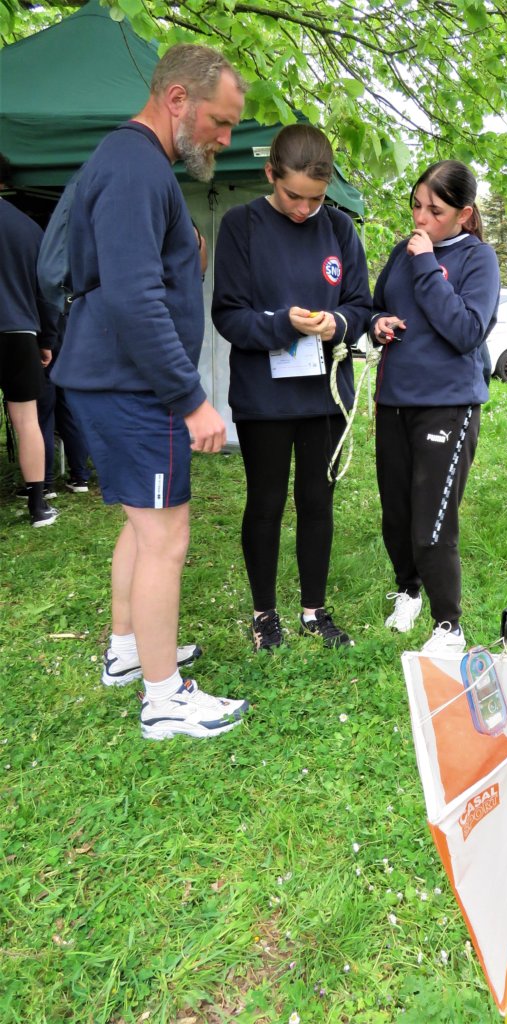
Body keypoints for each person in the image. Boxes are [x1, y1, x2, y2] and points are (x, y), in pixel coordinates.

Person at [52, 44, 249, 740]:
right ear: (176, 100)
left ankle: (128, 654)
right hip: (134, 384)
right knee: (166, 535)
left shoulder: (130, 164)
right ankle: (165, 699)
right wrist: (191, 398)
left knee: (144, 524)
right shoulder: (136, 165)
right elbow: (135, 298)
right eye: (220, 122)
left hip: (111, 377)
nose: (225, 139)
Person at [212, 124, 372, 651]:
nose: (305, 209)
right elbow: (229, 316)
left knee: (317, 501)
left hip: (324, 395)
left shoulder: (341, 229)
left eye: (316, 199)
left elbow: (360, 306)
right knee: (265, 503)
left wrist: (336, 326)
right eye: (293, 196)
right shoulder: (242, 225)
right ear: (269, 175)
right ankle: (264, 615)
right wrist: (284, 323)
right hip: (265, 396)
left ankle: (314, 610)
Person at [371, 160, 500, 654]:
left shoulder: (477, 259)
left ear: (464, 215)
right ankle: (408, 590)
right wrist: (377, 322)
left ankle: (450, 624)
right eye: (416, 206)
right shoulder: (399, 254)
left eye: (435, 210)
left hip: (448, 405)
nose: (421, 219)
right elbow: (372, 305)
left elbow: (466, 330)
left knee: (433, 518)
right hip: (395, 401)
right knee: (397, 513)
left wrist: (427, 264)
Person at [0, 153, 60, 527]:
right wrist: (47, 337)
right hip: (20, 332)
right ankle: (38, 506)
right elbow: (47, 291)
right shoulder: (29, 228)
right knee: (27, 420)